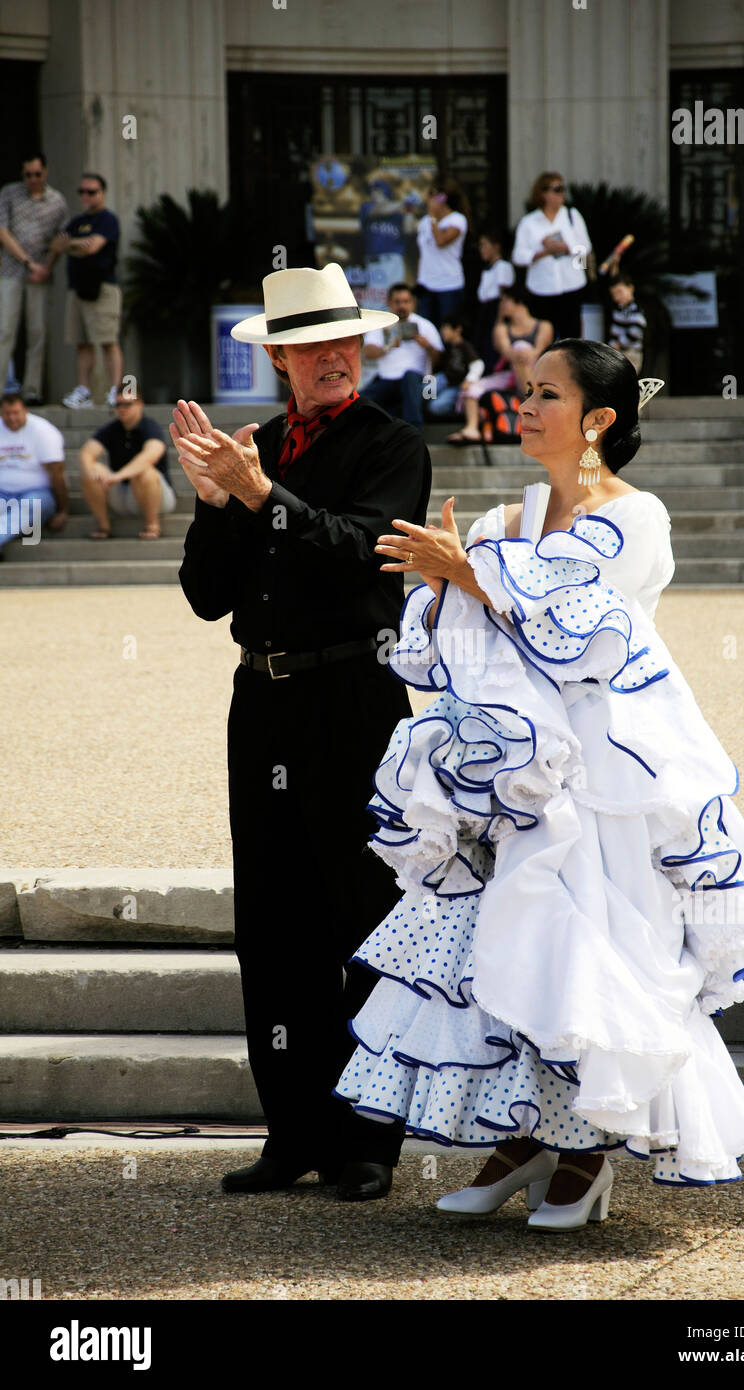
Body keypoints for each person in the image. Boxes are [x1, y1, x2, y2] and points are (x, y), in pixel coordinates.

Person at [334, 339, 744, 1230]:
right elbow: (463, 648)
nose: (523, 405)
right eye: (522, 390)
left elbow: (579, 632)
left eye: (545, 394)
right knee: (509, 944)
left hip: (605, 776)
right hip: (517, 777)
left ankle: (585, 1152)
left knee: (591, 946)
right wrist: (446, 581)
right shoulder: (507, 520)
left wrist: (470, 574)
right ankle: (528, 1135)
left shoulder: (632, 515)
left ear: (598, 420)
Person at [174, 262, 432, 1201]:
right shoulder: (257, 447)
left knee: (362, 914)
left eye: (347, 341)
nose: (335, 356)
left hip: (354, 702)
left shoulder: (390, 442)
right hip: (263, 704)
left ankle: (366, 1141)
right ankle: (291, 1131)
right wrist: (214, 503)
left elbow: (360, 550)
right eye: (314, 345)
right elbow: (207, 598)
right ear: (279, 358)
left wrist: (261, 497)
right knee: (273, 925)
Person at [0, 152, 69, 406]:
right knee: (5, 330)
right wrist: (29, 262)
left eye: (37, 174)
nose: (32, 179)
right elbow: (2, 231)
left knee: (37, 332)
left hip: (41, 275)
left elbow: (60, 241)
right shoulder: (9, 193)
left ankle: (31, 390)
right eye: (28, 174)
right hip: (10, 271)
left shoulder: (58, 202)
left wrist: (46, 267)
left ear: (46, 172)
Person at [51, 173, 123, 409]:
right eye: (82, 192)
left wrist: (71, 245)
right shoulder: (76, 221)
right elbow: (55, 245)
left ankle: (115, 391)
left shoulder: (108, 220)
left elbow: (93, 247)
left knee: (107, 340)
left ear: (102, 193)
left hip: (102, 287)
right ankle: (84, 391)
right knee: (81, 342)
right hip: (77, 288)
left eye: (91, 192)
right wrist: (77, 245)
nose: (86, 196)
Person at [446, 286, 553, 444]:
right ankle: (471, 428)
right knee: (473, 388)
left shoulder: (543, 325)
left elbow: (538, 351)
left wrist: (522, 354)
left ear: (518, 302)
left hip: (536, 375)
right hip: (510, 374)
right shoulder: (501, 328)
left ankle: (531, 402)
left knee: (521, 347)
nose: (501, 305)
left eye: (505, 301)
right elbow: (506, 351)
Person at [79, 387, 174, 540]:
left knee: (145, 472)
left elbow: (151, 455)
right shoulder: (112, 429)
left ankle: (152, 525)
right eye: (118, 405)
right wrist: (91, 470)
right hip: (124, 494)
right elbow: (87, 452)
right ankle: (104, 527)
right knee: (92, 470)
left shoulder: (150, 427)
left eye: (127, 404)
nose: (121, 409)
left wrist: (118, 476)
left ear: (140, 405)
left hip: (158, 497)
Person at [512, 171, 591, 339]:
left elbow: (585, 247)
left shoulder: (572, 215)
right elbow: (518, 256)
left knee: (572, 338)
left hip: (571, 285)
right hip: (542, 288)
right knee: (545, 338)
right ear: (543, 193)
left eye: (563, 189)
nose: (561, 193)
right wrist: (544, 251)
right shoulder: (529, 222)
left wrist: (565, 247)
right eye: (557, 189)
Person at [362, 282, 442, 428]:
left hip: (421, 383)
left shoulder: (425, 325)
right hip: (388, 382)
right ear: (389, 303)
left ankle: (415, 433)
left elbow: (440, 360)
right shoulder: (382, 325)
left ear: (413, 303)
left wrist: (428, 347)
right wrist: (388, 347)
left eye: (406, 302)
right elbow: (367, 352)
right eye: (397, 302)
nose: (402, 306)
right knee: (360, 399)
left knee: (409, 377)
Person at [0, 391, 68, 558]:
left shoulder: (43, 431)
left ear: (25, 411)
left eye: (16, 413)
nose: (11, 418)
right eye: (7, 414)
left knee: (29, 506)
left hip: (38, 493)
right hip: (3, 493)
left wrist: (62, 510)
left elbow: (57, 474)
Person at [414, 178, 469, 325]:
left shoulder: (457, 220)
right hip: (426, 282)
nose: (428, 199)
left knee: (448, 327)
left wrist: (433, 217)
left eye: (433, 195)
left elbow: (441, 241)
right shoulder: (424, 222)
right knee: (426, 325)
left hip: (448, 283)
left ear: (442, 199)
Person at [424, 313, 484, 419]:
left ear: (457, 329)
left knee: (436, 407)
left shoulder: (465, 346)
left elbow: (478, 364)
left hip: (456, 385)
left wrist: (469, 380)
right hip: (444, 379)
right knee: (424, 391)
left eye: (446, 328)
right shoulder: (448, 347)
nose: (443, 331)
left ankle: (455, 407)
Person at [475, 228, 515, 371]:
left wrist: (499, 321)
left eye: (485, 245)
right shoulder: (487, 269)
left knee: (492, 350)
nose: (482, 249)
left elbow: (503, 295)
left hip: (495, 312)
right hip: (485, 311)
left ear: (496, 246)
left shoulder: (503, 266)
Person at [608, 275, 647, 375]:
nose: (617, 297)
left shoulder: (635, 309)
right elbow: (614, 330)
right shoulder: (619, 309)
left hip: (631, 351)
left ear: (630, 288)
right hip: (618, 351)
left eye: (620, 292)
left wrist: (619, 343)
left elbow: (636, 332)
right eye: (614, 295)